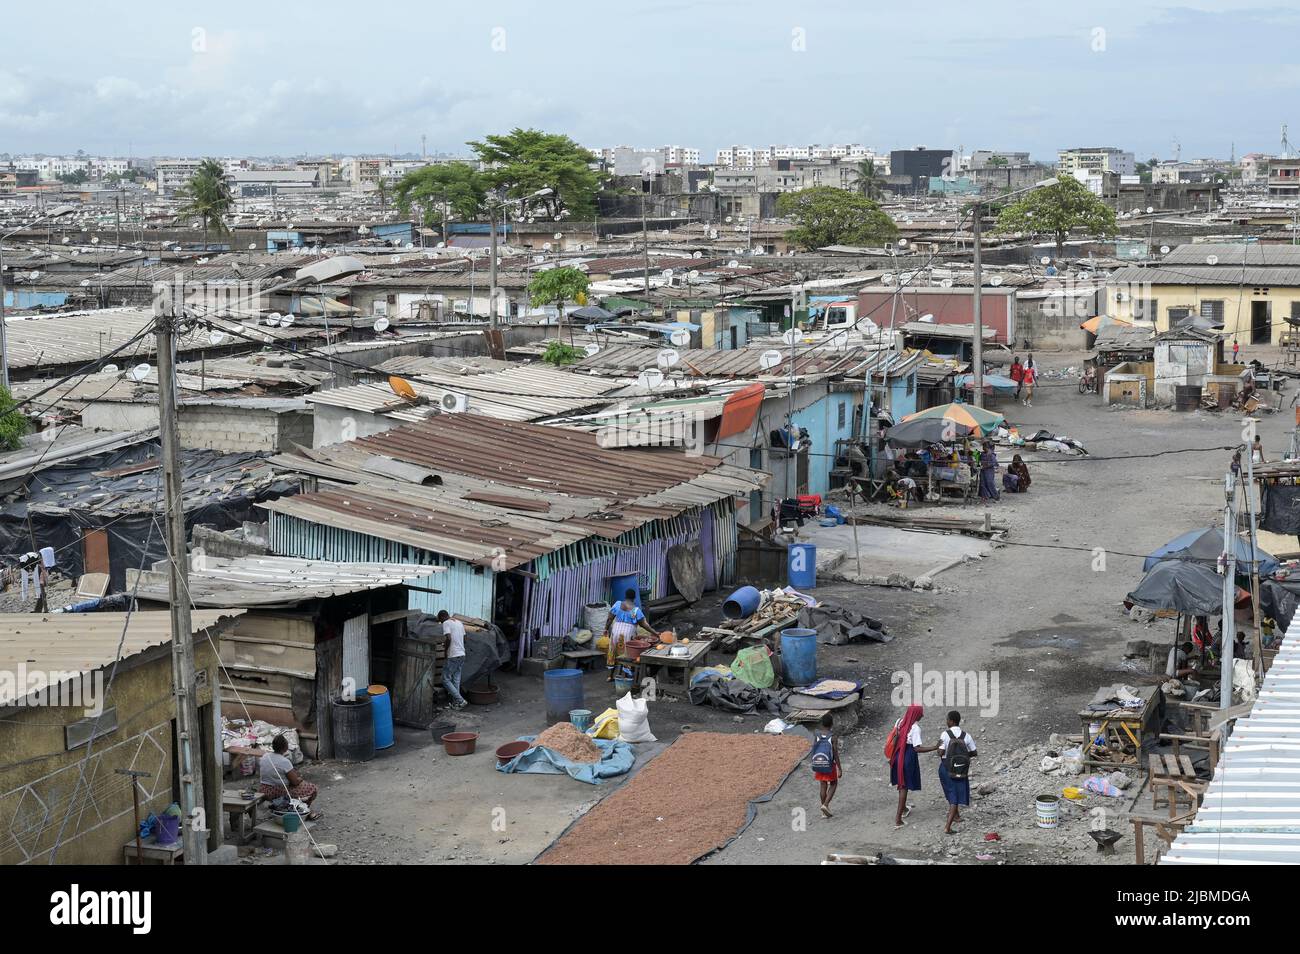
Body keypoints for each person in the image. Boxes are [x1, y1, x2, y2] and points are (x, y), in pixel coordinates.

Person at [934, 711, 977, 834]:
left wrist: (939, 750)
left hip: (946, 768)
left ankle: (947, 827)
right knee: (956, 793)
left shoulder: (945, 734)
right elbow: (974, 752)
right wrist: (961, 755)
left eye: (947, 720)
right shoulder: (966, 735)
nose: (946, 722)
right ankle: (956, 816)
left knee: (952, 795)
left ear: (952, 721)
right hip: (961, 768)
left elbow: (940, 753)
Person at [259, 734, 320, 819]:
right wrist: (300, 779)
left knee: (295, 785)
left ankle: (289, 808)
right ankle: (302, 811)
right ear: (285, 747)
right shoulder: (284, 761)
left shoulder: (265, 757)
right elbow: (294, 782)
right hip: (278, 791)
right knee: (313, 788)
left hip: (264, 789)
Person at [603, 588, 656, 679]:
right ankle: (626, 676)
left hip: (616, 631)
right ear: (634, 598)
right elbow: (644, 625)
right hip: (628, 633)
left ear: (625, 596)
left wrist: (606, 629)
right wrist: (655, 632)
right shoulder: (636, 610)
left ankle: (610, 676)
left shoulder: (617, 604)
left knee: (613, 651)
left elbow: (610, 619)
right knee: (628, 654)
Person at [888, 704, 925, 827]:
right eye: (920, 713)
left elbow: (895, 739)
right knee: (904, 786)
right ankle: (898, 819)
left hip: (897, 755)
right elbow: (917, 748)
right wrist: (935, 747)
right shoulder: (915, 728)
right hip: (908, 757)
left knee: (901, 783)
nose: (922, 715)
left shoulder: (899, 722)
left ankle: (903, 809)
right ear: (916, 714)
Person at [810, 713, 842, 818]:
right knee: (833, 783)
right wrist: (839, 768)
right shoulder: (833, 737)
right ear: (832, 724)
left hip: (819, 762)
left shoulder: (817, 734)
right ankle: (826, 804)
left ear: (822, 723)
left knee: (823, 785)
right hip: (829, 765)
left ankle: (824, 812)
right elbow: (835, 754)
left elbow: (814, 748)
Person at [438, 609, 468, 709]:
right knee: (456, 679)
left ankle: (461, 700)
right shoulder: (459, 622)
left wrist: (446, 651)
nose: (441, 622)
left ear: (442, 617)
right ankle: (456, 703)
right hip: (462, 654)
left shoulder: (446, 623)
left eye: (440, 620)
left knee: (445, 679)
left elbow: (449, 638)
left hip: (453, 655)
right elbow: (465, 639)